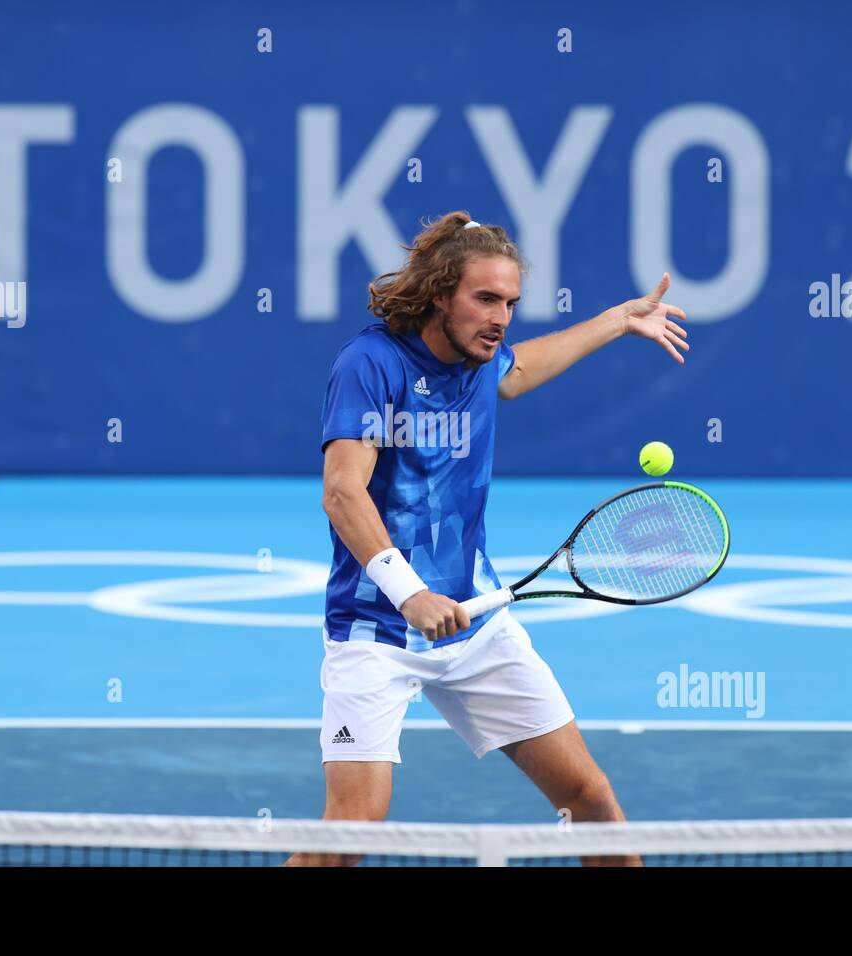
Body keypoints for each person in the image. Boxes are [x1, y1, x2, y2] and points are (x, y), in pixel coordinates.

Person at [286, 211, 689, 866]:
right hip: (376, 632)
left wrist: (620, 319)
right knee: (348, 835)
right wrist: (410, 595)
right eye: (485, 299)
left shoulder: (480, 359)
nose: (500, 317)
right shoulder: (371, 364)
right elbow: (341, 492)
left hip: (479, 625)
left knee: (588, 797)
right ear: (441, 293)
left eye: (510, 302)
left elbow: (519, 368)